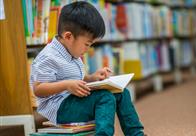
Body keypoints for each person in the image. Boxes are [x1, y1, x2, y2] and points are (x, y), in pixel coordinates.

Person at [30, 1, 144, 136]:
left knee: (122, 92)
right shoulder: (49, 57)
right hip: (60, 109)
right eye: (87, 44)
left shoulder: (71, 50)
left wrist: (92, 78)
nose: (88, 49)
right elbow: (38, 89)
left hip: (74, 100)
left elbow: (74, 78)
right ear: (68, 36)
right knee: (105, 97)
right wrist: (67, 85)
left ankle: (136, 134)